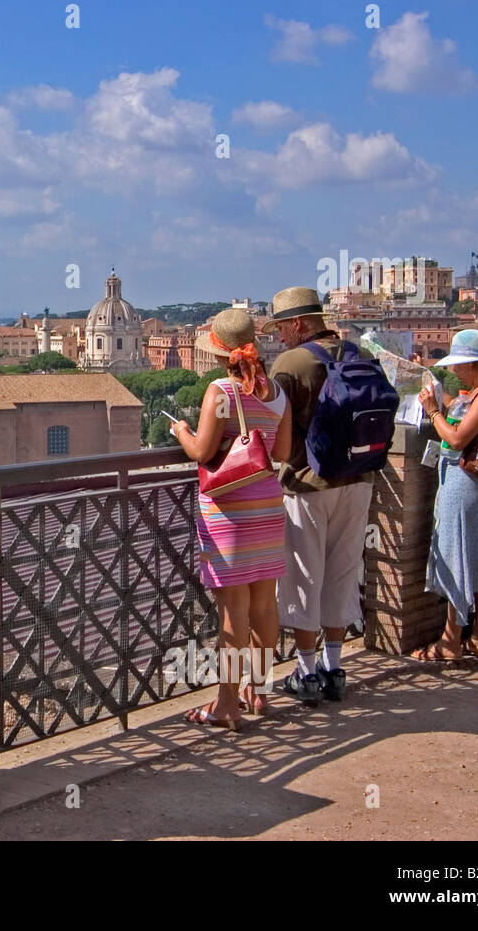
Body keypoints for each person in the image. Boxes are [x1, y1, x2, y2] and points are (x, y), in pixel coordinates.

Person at [172, 309, 292, 729]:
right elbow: (281, 453)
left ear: (219, 352)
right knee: (264, 605)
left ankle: (225, 704)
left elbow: (203, 452)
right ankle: (258, 692)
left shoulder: (219, 391)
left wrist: (182, 433)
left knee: (232, 612)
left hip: (229, 512)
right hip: (268, 507)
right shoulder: (277, 393)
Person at [264, 287, 375, 706]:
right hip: (358, 480)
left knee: (304, 579)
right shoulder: (356, 352)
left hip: (309, 484)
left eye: (281, 328)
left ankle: (307, 672)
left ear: (296, 325)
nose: (279, 337)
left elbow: (275, 428)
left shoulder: (292, 362)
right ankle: (335, 667)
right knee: (343, 575)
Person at [413, 329, 478, 660]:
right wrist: (432, 389)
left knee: (456, 555)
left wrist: (432, 412)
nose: (455, 371)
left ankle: (450, 640)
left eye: (458, 365)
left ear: (473, 364)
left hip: (463, 485)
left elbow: (456, 439)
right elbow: (458, 415)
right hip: (473, 487)